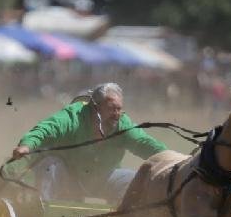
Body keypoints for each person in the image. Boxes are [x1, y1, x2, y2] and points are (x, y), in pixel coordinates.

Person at [9, 82, 168, 202]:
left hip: (103, 178)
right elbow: (45, 129)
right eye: (111, 108)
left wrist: (168, 158)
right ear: (95, 108)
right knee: (49, 165)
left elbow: (144, 143)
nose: (117, 114)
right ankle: (44, 214)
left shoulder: (122, 125)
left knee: (133, 179)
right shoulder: (73, 117)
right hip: (68, 176)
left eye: (119, 109)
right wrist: (26, 145)